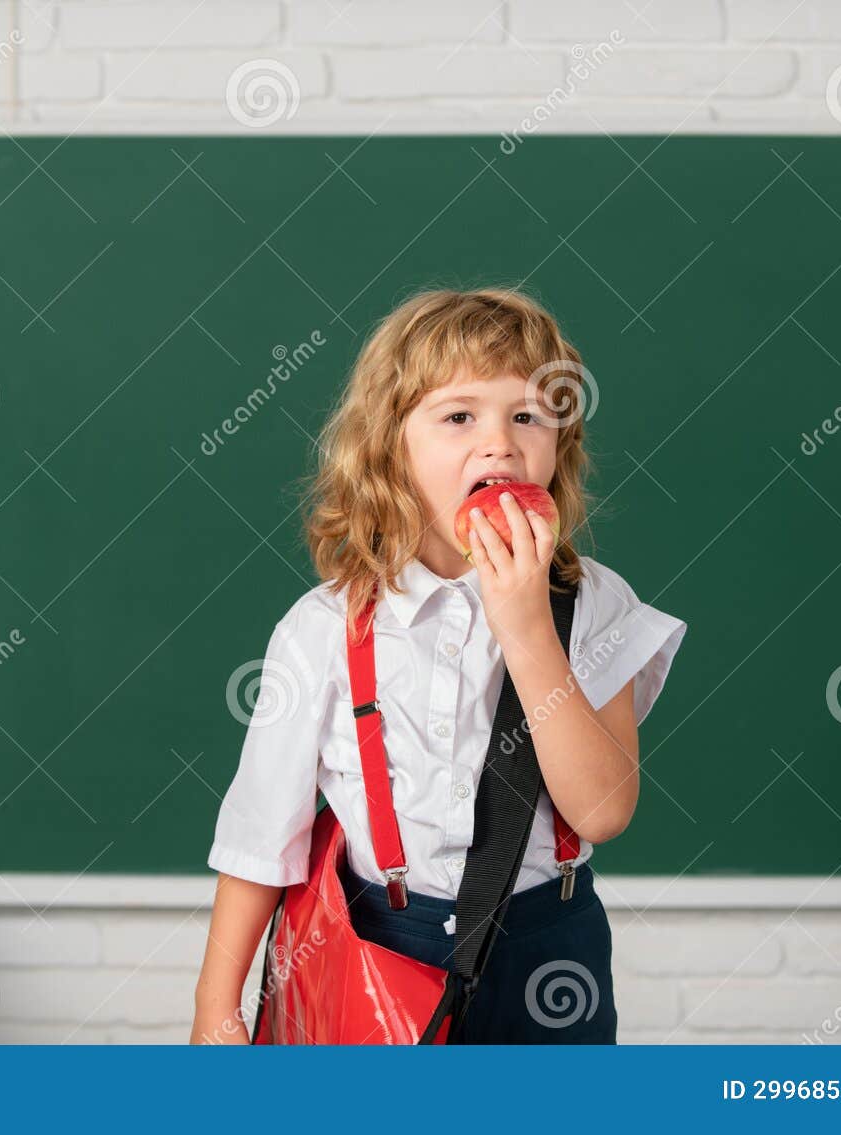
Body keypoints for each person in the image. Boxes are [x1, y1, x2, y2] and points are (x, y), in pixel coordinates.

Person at [191, 287, 687, 1044]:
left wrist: (526, 628)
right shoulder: (325, 627)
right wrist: (215, 1009)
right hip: (384, 947)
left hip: (551, 950)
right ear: (393, 447)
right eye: (460, 416)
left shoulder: (593, 603)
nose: (500, 444)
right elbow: (263, 838)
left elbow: (603, 811)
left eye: (528, 415)